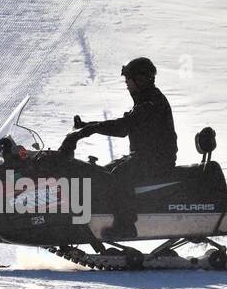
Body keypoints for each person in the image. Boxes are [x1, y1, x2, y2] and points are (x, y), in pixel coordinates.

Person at [61, 57, 177, 238]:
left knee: (118, 177)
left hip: (157, 160)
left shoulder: (151, 103)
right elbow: (125, 122)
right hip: (144, 157)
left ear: (141, 79)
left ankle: (125, 225)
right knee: (104, 173)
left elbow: (123, 127)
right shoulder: (146, 100)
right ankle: (97, 218)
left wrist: (89, 130)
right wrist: (87, 125)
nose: (127, 84)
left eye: (129, 80)